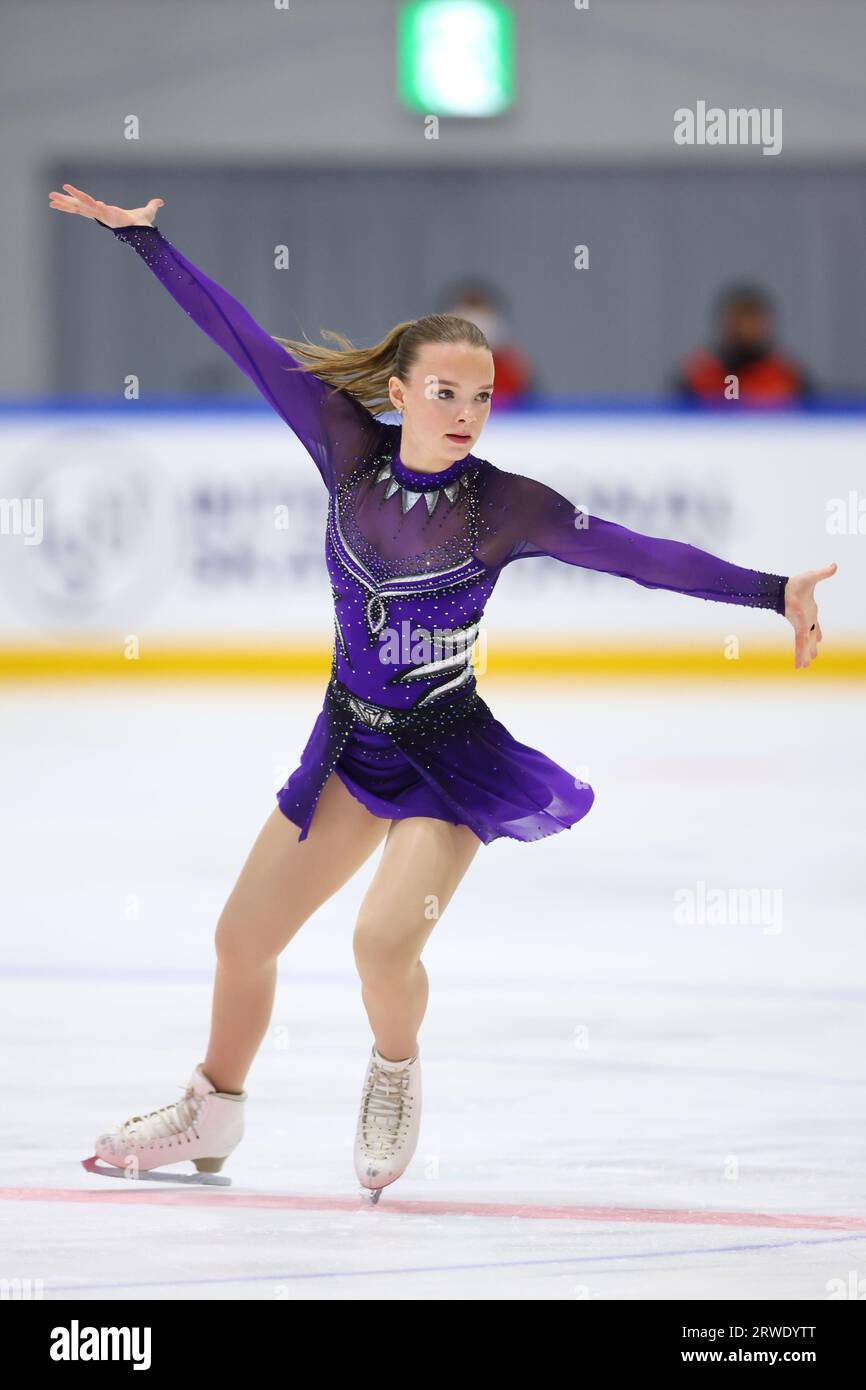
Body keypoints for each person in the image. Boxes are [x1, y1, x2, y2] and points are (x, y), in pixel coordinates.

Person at [49, 185, 834, 1201]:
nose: (465, 413)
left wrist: (769, 591)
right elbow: (243, 340)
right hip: (346, 745)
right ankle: (212, 1108)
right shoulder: (344, 449)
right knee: (240, 938)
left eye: (482, 396)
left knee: (380, 940)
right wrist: (145, 243)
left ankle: (391, 1068)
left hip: (447, 754)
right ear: (401, 391)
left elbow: (640, 556)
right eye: (446, 393)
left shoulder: (507, 506)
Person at [675, 284, 815, 405]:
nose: (745, 328)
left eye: (752, 319)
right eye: (738, 319)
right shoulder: (698, 377)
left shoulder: (788, 377)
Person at [440, 279, 535, 406]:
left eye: (481, 313)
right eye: (467, 314)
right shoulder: (430, 369)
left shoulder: (513, 370)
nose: (476, 324)